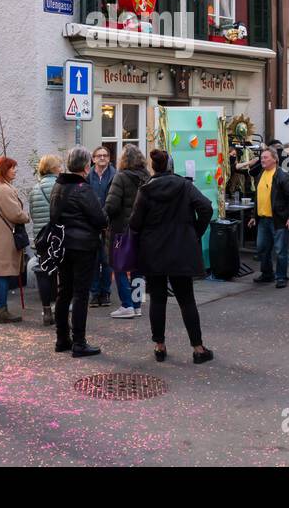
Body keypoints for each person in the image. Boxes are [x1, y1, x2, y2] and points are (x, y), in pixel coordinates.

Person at [128, 149, 215, 363]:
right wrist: (195, 231)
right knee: (186, 300)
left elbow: (134, 223)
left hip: (153, 251)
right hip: (181, 250)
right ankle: (198, 348)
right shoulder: (184, 186)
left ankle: (159, 346)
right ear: (171, 166)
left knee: (157, 299)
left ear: (153, 167)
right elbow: (206, 207)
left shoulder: (145, 190)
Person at [50, 146, 109, 357]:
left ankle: (62, 338)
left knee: (63, 292)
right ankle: (79, 342)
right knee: (81, 294)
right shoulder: (83, 189)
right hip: (83, 246)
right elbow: (99, 218)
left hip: (62, 245)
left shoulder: (58, 187)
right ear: (86, 165)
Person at [0, 156, 31, 324]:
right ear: (4, 170)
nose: (15, 171)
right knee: (3, 274)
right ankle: (2, 311)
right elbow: (15, 214)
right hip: (3, 239)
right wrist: (26, 217)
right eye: (12, 168)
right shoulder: (2, 189)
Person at [103, 145, 149, 318]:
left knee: (119, 265)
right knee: (138, 267)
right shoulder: (147, 177)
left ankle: (127, 305)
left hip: (121, 230)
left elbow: (111, 206)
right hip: (141, 229)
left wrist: (104, 218)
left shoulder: (120, 177)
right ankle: (137, 305)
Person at [249, 145, 289, 288]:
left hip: (279, 220)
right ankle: (267, 274)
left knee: (280, 250)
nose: (262, 160)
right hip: (263, 220)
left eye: (265, 157)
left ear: (274, 160)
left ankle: (281, 277)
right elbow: (258, 197)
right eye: (262, 157)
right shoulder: (260, 174)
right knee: (261, 249)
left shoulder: (283, 176)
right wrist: (254, 216)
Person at [28, 153, 62, 326]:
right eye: (59, 165)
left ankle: (46, 309)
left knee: (44, 273)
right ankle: (59, 308)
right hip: (58, 236)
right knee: (60, 272)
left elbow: (32, 214)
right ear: (54, 168)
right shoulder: (59, 186)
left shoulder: (35, 189)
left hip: (41, 238)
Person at [86, 146, 117, 308]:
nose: (102, 158)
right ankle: (94, 292)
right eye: (99, 156)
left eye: (105, 155)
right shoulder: (87, 176)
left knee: (106, 260)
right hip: (91, 224)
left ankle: (105, 293)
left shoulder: (115, 175)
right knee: (93, 260)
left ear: (109, 158)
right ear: (93, 159)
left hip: (109, 224)